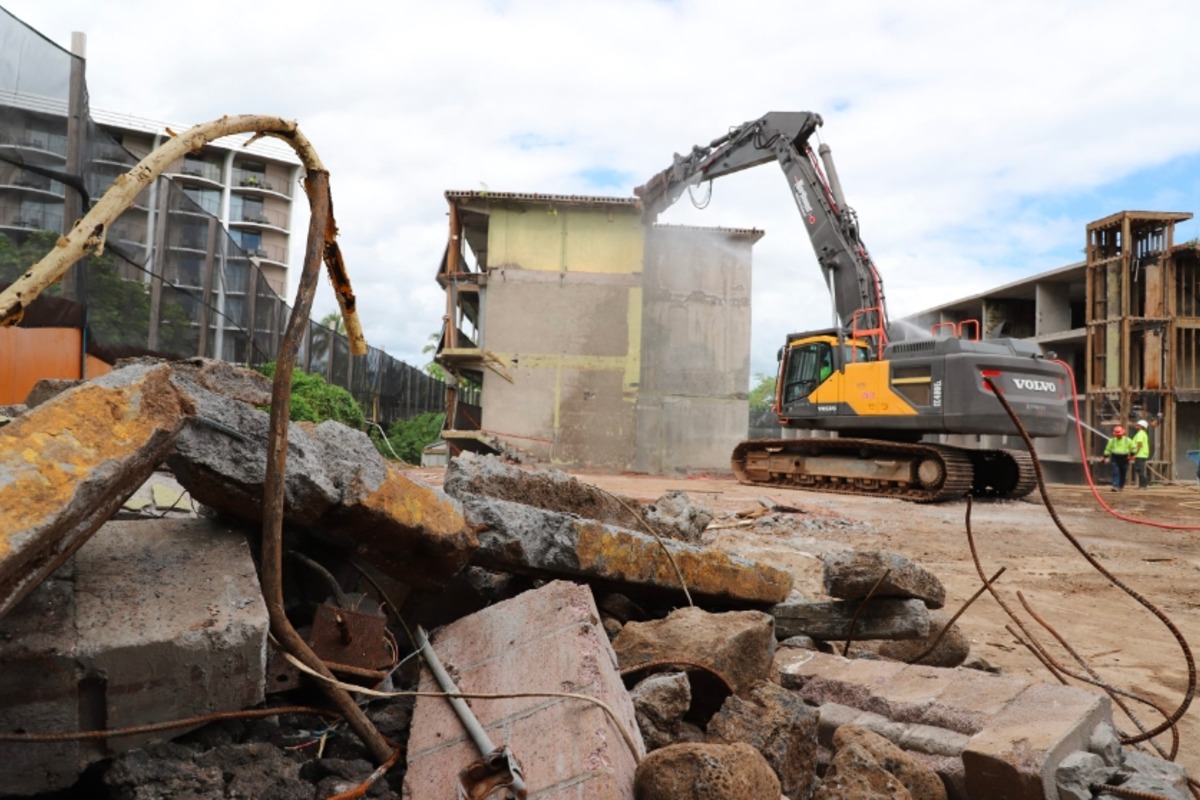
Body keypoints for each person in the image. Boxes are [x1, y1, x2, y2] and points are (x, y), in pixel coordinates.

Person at [1100, 426, 1134, 492]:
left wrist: (1132, 455)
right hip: (1115, 458)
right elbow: (1108, 449)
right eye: (1117, 434)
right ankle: (1115, 486)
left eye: (1119, 434)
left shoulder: (1128, 440)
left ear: (1123, 433)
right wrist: (1104, 457)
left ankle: (1120, 486)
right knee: (1115, 472)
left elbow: (1133, 448)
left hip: (1124, 458)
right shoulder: (1112, 441)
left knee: (1123, 473)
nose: (1118, 436)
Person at [1130, 419, 1151, 489]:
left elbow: (1139, 445)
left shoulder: (1140, 434)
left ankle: (1143, 485)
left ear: (1141, 426)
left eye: (1138, 425)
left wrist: (1135, 454)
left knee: (1140, 470)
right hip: (1142, 454)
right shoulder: (1143, 433)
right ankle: (1142, 485)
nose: (1136, 426)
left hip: (1140, 454)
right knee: (1140, 470)